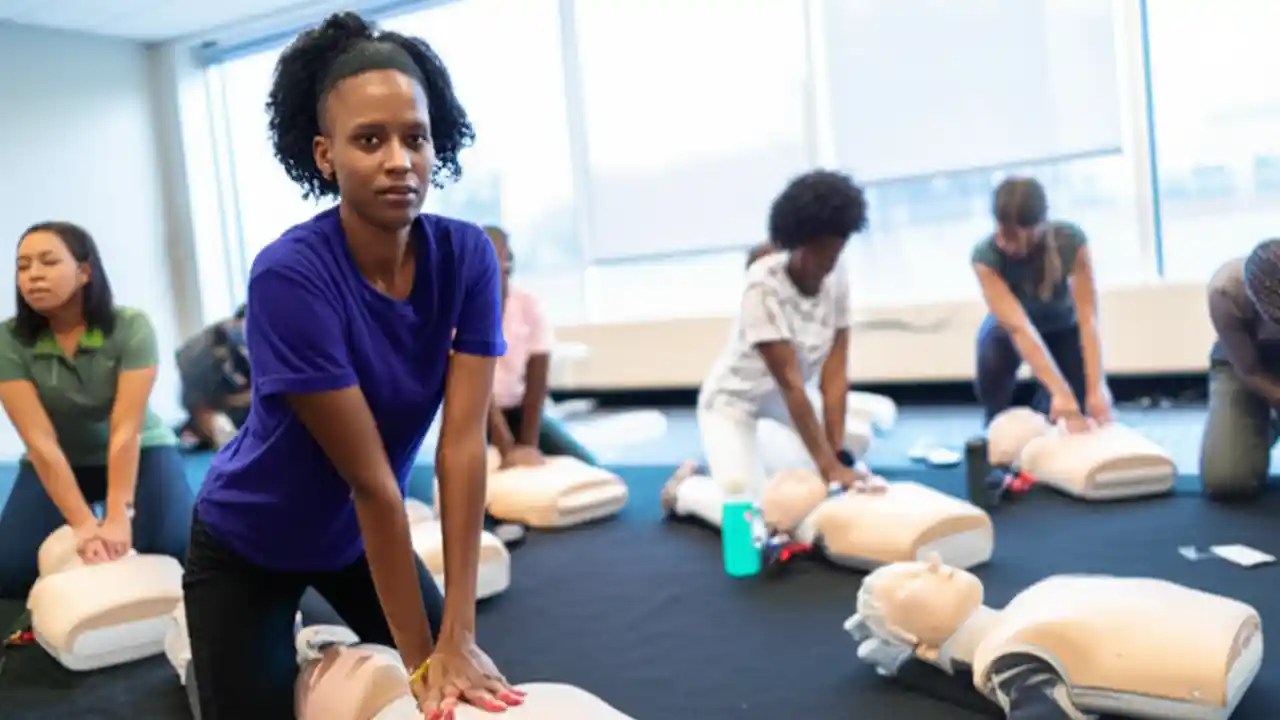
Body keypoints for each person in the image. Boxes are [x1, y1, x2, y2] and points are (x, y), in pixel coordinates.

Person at [182, 12, 523, 719]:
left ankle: (319, 651)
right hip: (250, 538)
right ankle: (215, 659)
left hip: (356, 542)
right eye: (370, 140)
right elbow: (369, 480)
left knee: (465, 685)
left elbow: (462, 448)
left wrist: (456, 634)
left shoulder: (466, 258)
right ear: (325, 155)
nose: (399, 159)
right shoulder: (289, 275)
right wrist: (422, 661)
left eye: (415, 137)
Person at [0, 221, 191, 599]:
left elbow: (125, 429)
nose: (33, 275)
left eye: (48, 262)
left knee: (174, 545)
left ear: (84, 272)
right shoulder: (8, 339)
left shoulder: (131, 326)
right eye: (23, 266)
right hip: (60, 457)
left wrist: (119, 516)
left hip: (141, 448)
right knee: (10, 568)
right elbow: (39, 441)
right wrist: (84, 524)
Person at [693, 169, 874, 504]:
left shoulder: (838, 276)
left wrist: (835, 459)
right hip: (733, 404)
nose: (830, 264)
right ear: (798, 245)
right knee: (753, 510)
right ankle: (685, 490)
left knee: (856, 441)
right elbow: (791, 384)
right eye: (823, 252)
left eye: (837, 250)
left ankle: (756, 460)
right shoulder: (762, 287)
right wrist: (829, 469)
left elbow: (834, 378)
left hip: (778, 401)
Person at [971, 176, 1112, 430]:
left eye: (1016, 237)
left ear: (1040, 226)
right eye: (1003, 233)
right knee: (992, 353)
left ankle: (1045, 410)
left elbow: (1087, 317)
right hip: (1009, 333)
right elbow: (1020, 328)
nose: (1007, 244)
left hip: (1062, 327)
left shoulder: (1071, 241)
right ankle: (998, 420)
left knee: (1078, 410)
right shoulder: (985, 257)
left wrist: (1096, 388)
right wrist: (1060, 391)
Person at [483, 225, 595, 469]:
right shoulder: (459, 311)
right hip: (475, 414)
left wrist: (528, 446)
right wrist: (506, 448)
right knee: (475, 480)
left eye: (500, 256)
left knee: (588, 465)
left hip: (520, 410)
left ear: (508, 262)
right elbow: (476, 389)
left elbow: (537, 381)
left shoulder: (529, 306)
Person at [1200, 239, 1280, 498]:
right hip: (1248, 363)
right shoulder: (1226, 290)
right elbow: (1250, 370)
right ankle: (1258, 427)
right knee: (1228, 480)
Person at [175, 305, 250, 450]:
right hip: (216, 407)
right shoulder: (196, 355)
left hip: (247, 406)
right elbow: (199, 405)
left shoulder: (271, 342)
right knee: (222, 428)